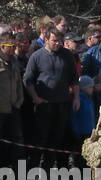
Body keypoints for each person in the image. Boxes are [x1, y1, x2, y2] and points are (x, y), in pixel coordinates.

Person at [23, 27, 79, 167]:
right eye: (54, 41)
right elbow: (28, 80)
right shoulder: (36, 56)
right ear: (46, 40)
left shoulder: (67, 55)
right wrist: (35, 97)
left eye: (60, 41)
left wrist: (76, 97)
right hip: (44, 104)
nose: (58, 43)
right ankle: (34, 167)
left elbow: (74, 79)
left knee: (56, 137)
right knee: (40, 137)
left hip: (62, 103)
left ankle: (48, 168)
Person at [0, 31, 24, 168]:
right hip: (1, 109)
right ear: (2, 46)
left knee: (17, 139)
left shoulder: (14, 61)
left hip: (14, 107)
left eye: (15, 45)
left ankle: (16, 170)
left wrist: (19, 100)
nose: (14, 48)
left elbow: (19, 83)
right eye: (10, 45)